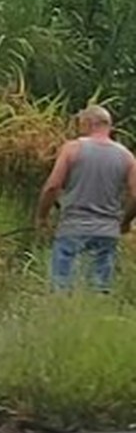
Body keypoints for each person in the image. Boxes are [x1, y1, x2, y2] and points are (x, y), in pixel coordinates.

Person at [36, 104, 136, 292]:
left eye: (80, 123)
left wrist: (42, 217)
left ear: (89, 123)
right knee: (98, 290)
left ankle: (64, 317)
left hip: (72, 228)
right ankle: (93, 317)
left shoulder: (72, 149)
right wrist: (125, 221)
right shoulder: (127, 156)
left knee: (61, 289)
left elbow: (52, 186)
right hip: (107, 232)